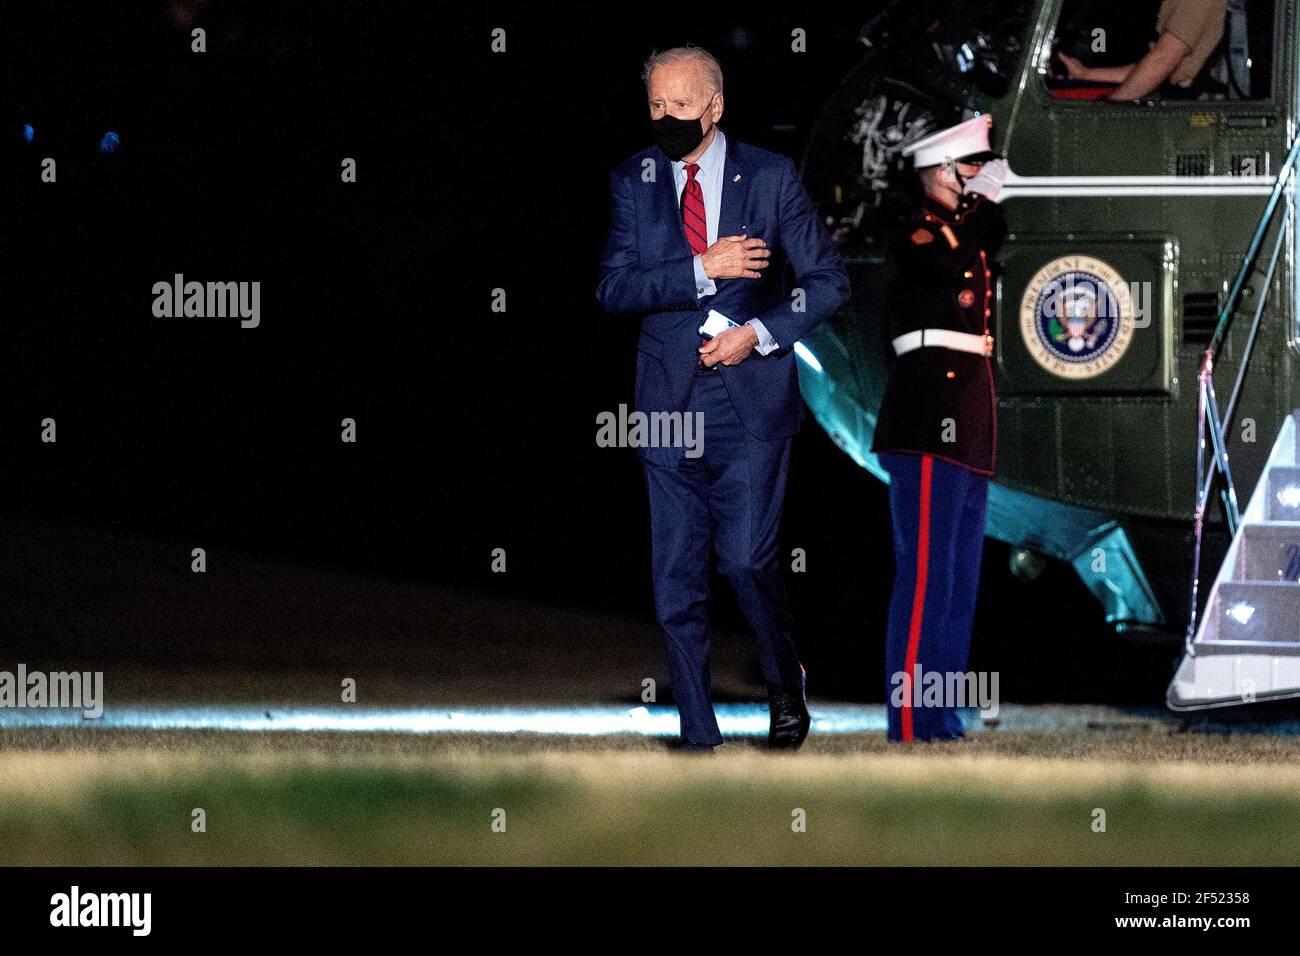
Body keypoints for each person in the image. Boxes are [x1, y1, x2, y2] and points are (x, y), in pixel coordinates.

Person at [596, 45, 849, 752]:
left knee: (745, 561)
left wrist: (760, 333)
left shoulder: (770, 177)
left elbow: (828, 280)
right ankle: (698, 738)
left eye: (680, 105)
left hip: (749, 402)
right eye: (654, 106)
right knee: (676, 577)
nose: (666, 118)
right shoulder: (633, 180)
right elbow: (614, 289)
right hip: (666, 400)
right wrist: (700, 269)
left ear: (715, 105)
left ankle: (783, 681)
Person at [871, 115, 1007, 743]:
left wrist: (984, 204)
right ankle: (907, 718)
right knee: (924, 573)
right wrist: (983, 204)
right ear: (940, 169)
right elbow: (936, 264)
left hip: (970, 414)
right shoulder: (919, 231)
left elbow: (988, 234)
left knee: (959, 579)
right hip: (928, 416)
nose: (980, 176)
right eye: (971, 165)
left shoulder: (969, 233)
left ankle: (942, 715)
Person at [1056, 0, 1226, 100]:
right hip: (1176, 98)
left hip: (1190, 108)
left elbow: (1163, 61)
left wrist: (1109, 110)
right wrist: (1085, 74)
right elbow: (1148, 69)